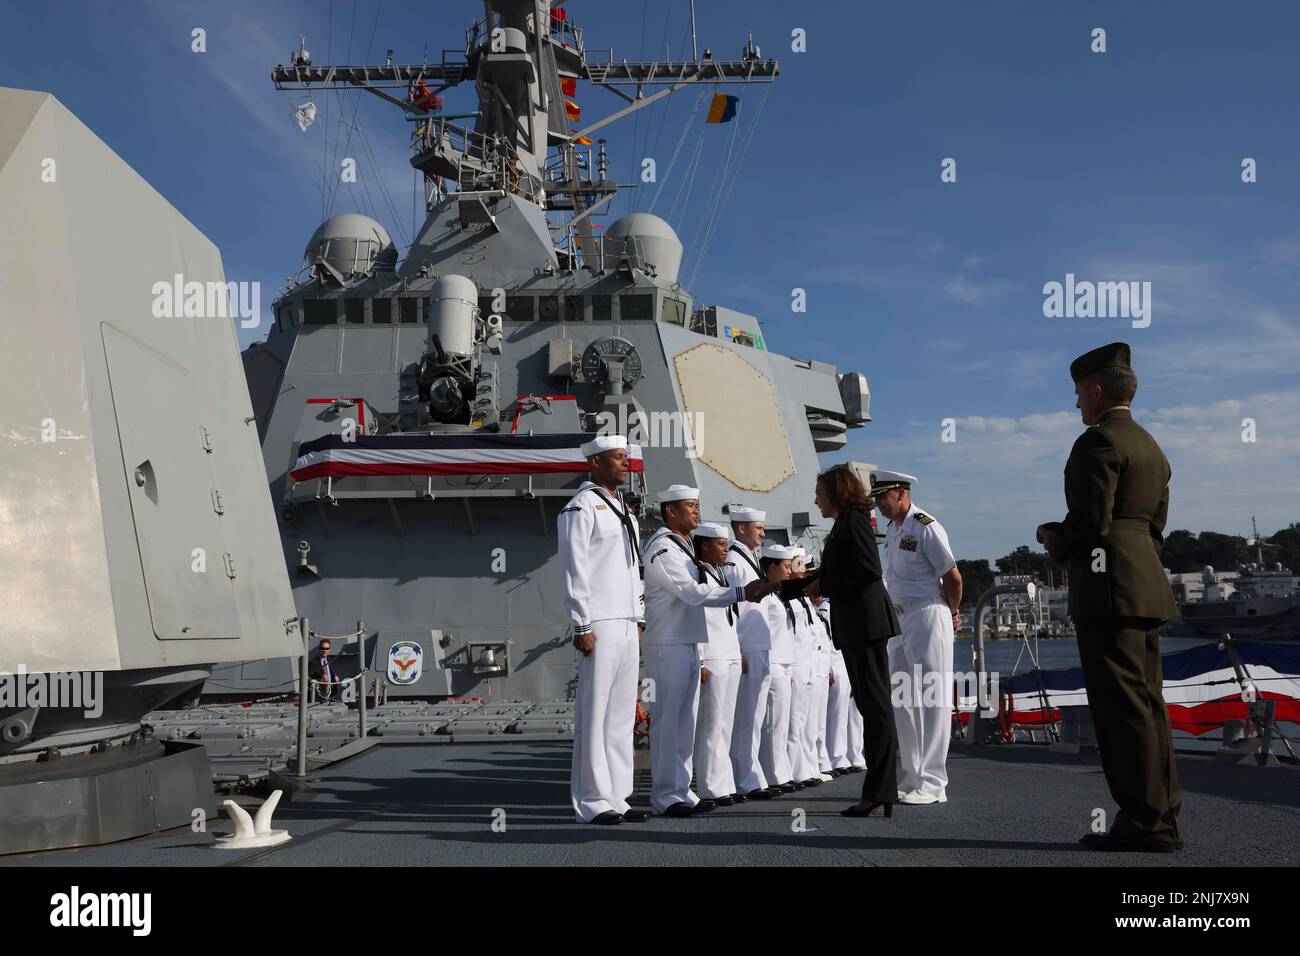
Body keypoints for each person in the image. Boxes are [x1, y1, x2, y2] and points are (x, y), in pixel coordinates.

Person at [1036, 342, 1183, 853]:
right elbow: (1155, 526)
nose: (1077, 404)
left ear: (1097, 391)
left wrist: (1053, 538)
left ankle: (1143, 824)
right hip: (1144, 583)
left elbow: (1090, 525)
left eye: (1079, 393)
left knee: (1120, 710)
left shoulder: (1096, 443)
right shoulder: (1150, 445)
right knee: (1147, 705)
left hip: (1107, 592)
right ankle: (1162, 814)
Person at [642, 486, 771, 816]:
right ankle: (665, 795)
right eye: (690, 506)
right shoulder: (662, 549)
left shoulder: (683, 550)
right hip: (668, 645)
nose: (697, 512)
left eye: (697, 505)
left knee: (686, 724)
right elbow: (691, 593)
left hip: (687, 644)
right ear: (671, 511)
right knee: (668, 723)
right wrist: (741, 592)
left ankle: (682, 790)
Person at [559, 435, 648, 826]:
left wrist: (639, 617)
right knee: (595, 715)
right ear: (595, 463)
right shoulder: (582, 507)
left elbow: (634, 570)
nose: (625, 463)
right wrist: (582, 623)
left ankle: (618, 796)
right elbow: (575, 568)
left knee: (619, 716)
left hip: (627, 622)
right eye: (617, 457)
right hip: (600, 621)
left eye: (625, 457)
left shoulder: (623, 510)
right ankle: (593, 801)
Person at [804, 465, 901, 817]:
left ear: (835, 492)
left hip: (866, 626)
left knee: (875, 709)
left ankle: (878, 791)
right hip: (860, 627)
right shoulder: (847, 524)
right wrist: (782, 586)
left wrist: (824, 585)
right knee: (872, 708)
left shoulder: (853, 523)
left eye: (820, 494)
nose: (816, 500)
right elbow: (834, 574)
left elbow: (867, 570)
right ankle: (879, 791)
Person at [872, 469, 962, 806]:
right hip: (897, 619)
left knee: (931, 698)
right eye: (877, 498)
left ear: (901, 493)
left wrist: (950, 613)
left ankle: (935, 783)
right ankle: (912, 777)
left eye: (882, 497)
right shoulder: (894, 531)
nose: (879, 504)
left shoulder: (926, 527)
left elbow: (953, 578)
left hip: (927, 613)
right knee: (902, 700)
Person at [724, 507, 783, 800]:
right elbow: (733, 610)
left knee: (754, 717)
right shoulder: (735, 563)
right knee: (745, 718)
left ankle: (750, 774)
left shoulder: (750, 560)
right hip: (746, 646)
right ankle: (743, 778)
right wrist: (738, 650)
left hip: (758, 645)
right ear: (741, 529)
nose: (762, 532)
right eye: (758, 527)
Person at [691, 522, 744, 806]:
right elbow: (695, 615)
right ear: (704, 546)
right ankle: (710, 787)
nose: (725, 549)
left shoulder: (720, 575)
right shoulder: (698, 574)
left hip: (729, 654)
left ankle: (723, 783)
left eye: (726, 543)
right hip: (712, 654)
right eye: (720, 544)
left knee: (725, 725)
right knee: (711, 727)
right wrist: (699, 659)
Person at [758, 544, 802, 794]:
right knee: (773, 722)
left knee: (782, 722)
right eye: (785, 567)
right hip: (773, 660)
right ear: (771, 567)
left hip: (785, 661)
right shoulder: (765, 595)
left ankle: (781, 771)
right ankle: (773, 774)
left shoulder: (778, 595)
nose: (789, 571)